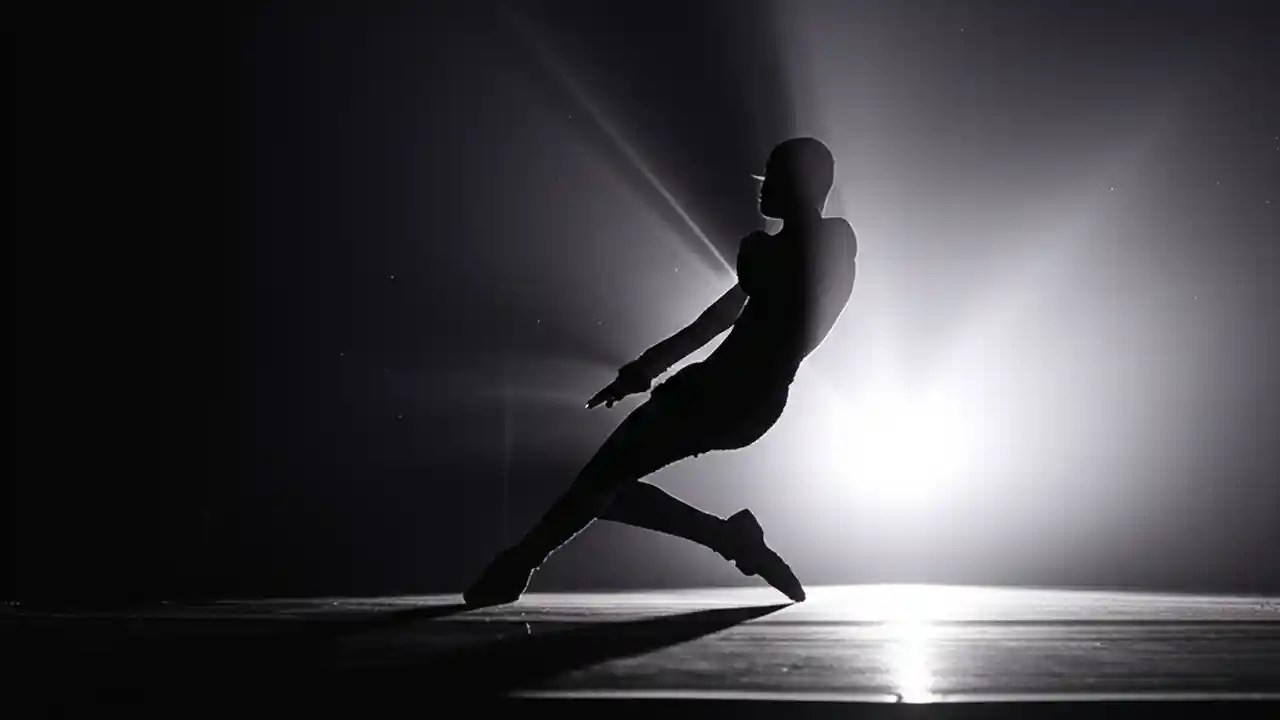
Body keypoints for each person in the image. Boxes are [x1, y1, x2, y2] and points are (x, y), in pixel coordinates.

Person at [464, 137, 857, 606]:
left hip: (728, 393)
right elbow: (715, 321)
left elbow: (777, 312)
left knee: (599, 481)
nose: (761, 185)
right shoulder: (774, 256)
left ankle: (521, 563)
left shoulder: (812, 245)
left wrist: (657, 370)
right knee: (602, 485)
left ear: (799, 182)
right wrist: (646, 368)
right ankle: (725, 539)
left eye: (772, 174)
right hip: (735, 394)